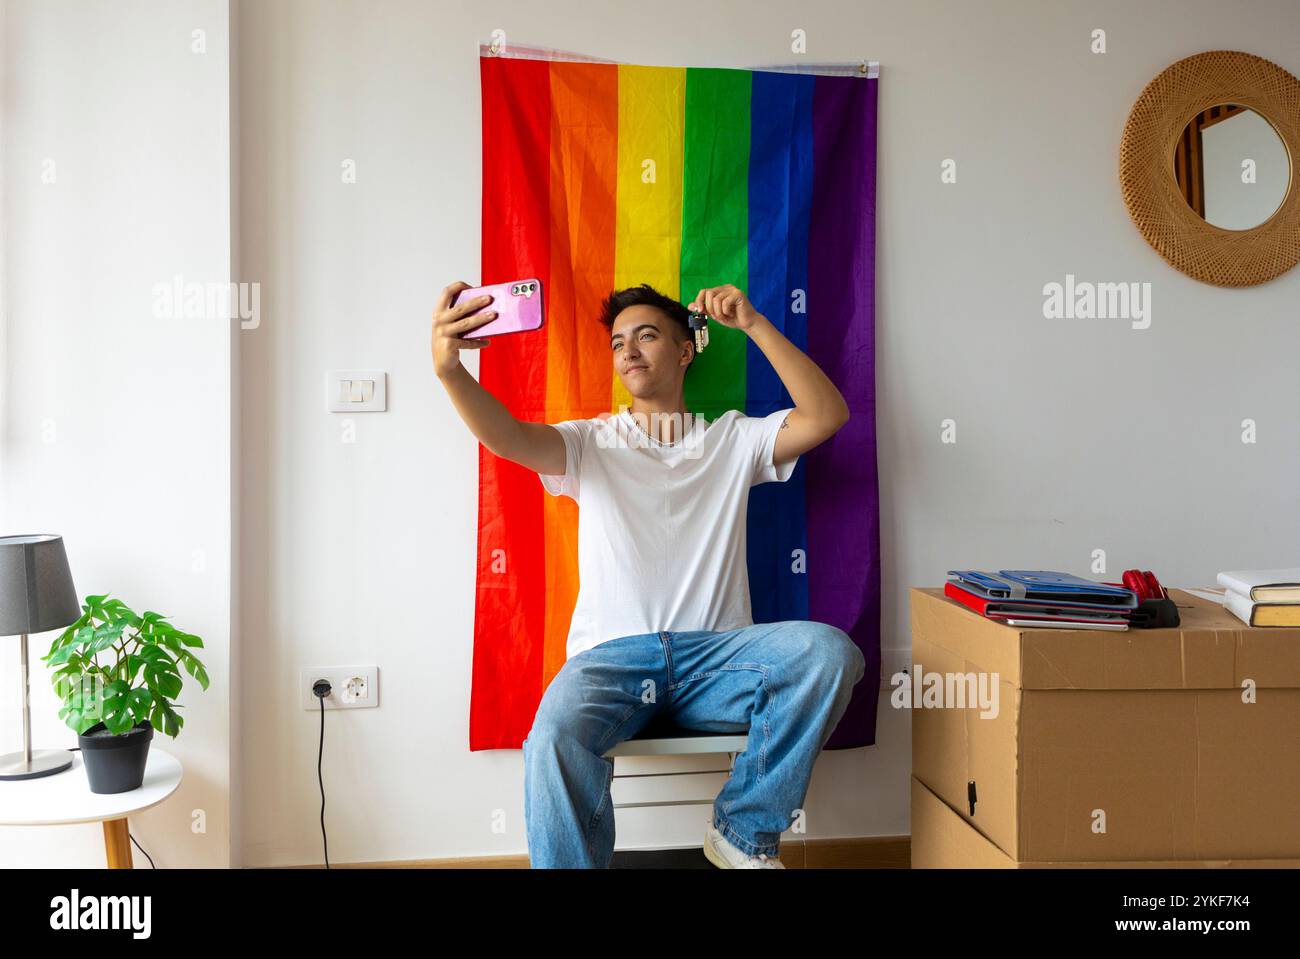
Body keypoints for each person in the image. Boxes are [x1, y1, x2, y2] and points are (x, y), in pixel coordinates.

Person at [431, 280, 866, 868]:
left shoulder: (732, 438)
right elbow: (506, 438)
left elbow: (827, 414)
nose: (628, 351)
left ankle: (741, 833)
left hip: (715, 664)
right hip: (611, 662)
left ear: (686, 351)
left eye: (646, 336)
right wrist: (450, 371)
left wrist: (755, 323)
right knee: (553, 734)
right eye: (618, 342)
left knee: (829, 653)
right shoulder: (589, 442)